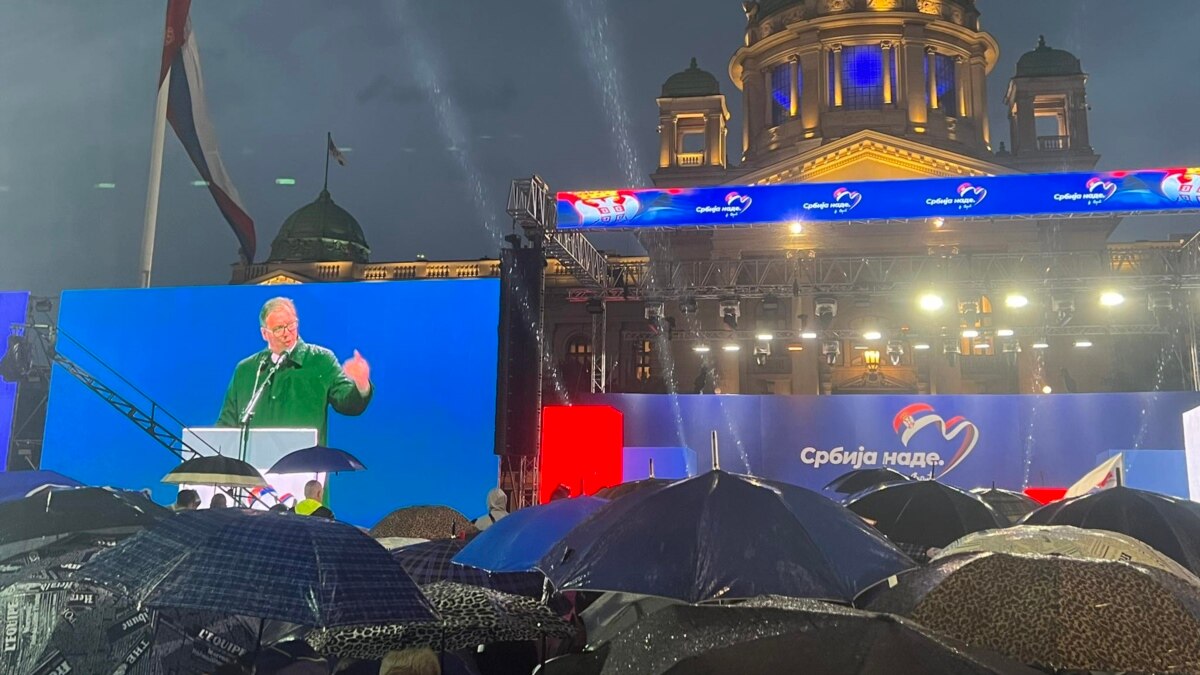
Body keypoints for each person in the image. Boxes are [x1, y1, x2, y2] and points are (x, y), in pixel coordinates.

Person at [217, 297, 373, 446]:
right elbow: (226, 425)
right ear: (264, 333)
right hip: (253, 462)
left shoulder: (320, 360)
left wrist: (361, 384)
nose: (287, 333)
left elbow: (348, 404)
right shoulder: (247, 369)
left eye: (291, 325)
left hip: (304, 461)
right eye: (278, 328)